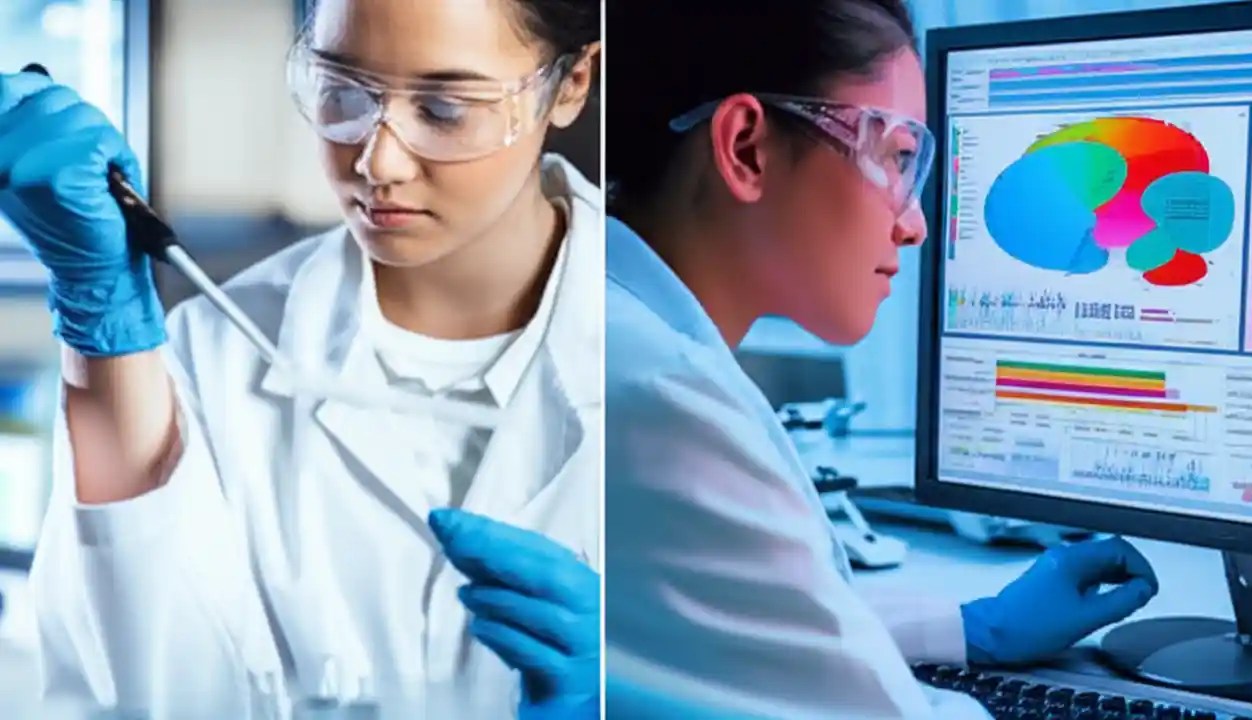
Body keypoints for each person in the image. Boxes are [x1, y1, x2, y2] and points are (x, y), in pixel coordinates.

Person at [0, 0, 601, 717]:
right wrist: (97, 313)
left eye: (443, 109)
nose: (377, 161)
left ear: (571, 84)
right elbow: (123, 692)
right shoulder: (214, 356)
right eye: (343, 92)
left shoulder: (667, 359)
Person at [603, 2, 1160, 718]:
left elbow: (746, 629)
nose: (914, 223)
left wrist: (969, 629)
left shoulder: (622, 334)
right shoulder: (661, 400)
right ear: (746, 149)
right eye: (897, 157)